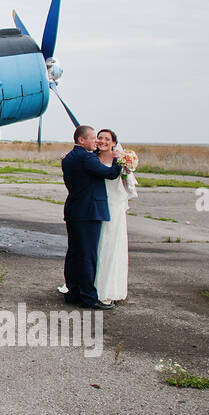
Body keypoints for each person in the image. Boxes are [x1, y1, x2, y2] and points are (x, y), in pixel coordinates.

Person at [58, 125, 123, 310]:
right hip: (88, 212)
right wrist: (118, 160)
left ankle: (72, 292)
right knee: (87, 255)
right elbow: (110, 174)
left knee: (74, 254)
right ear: (81, 140)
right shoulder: (86, 158)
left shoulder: (69, 157)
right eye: (94, 138)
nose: (96, 141)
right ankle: (88, 297)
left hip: (73, 210)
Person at [94, 128, 130, 305]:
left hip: (114, 205)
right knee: (96, 245)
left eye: (107, 139)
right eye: (99, 138)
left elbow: (128, 185)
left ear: (114, 142)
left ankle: (107, 288)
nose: (102, 141)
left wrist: (128, 169)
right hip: (96, 206)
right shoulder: (91, 157)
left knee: (110, 245)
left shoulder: (120, 160)